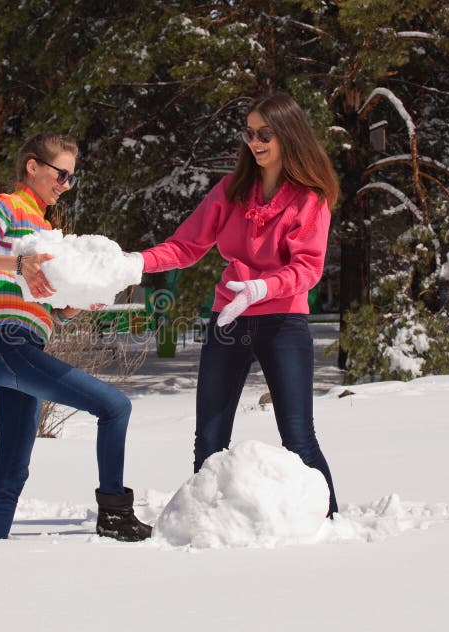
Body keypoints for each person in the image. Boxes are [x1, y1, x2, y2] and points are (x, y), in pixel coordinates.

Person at [130, 92, 339, 517]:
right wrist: (134, 263)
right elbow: (186, 246)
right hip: (228, 319)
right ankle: (197, 521)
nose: (255, 142)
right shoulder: (232, 189)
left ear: (288, 135)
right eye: (249, 133)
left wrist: (261, 289)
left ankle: (329, 519)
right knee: (209, 437)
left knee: (298, 437)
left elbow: (308, 269)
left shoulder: (309, 198)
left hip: (283, 322)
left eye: (265, 134)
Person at [0, 133, 152, 541]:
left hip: (25, 348)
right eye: (61, 174)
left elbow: (50, 314)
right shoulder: (5, 207)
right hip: (7, 345)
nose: (65, 185)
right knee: (114, 406)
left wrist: (78, 303)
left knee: (12, 471)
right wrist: (18, 262)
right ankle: (113, 513)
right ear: (33, 166)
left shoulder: (45, 229)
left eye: (71, 179)